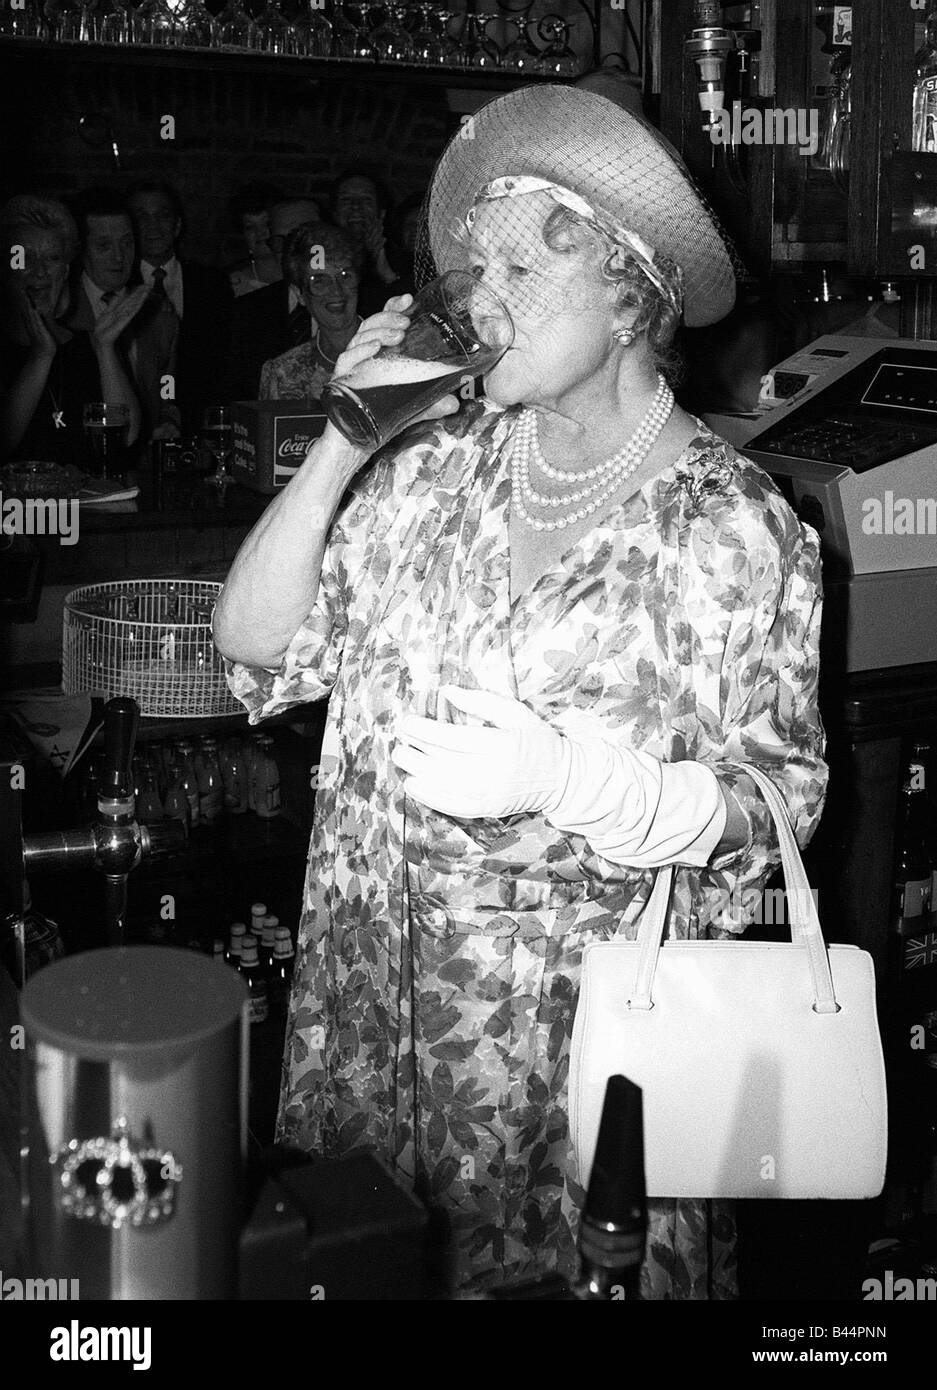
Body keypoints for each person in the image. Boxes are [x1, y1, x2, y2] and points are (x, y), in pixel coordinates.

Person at [213, 85, 827, 1299]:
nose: (476, 298)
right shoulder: (431, 468)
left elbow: (782, 800)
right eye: (471, 266)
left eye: (513, 266)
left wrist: (586, 785)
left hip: (567, 1047)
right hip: (377, 1005)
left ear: (626, 288)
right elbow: (251, 643)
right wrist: (343, 439)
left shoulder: (735, 527)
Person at [0, 194, 144, 467]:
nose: (40, 271)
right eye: (24, 258)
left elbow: (126, 437)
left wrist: (104, 348)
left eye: (52, 258)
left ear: (65, 271)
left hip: (82, 507)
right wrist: (41, 357)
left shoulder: (86, 346)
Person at [67, 186, 180, 443]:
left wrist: (168, 419)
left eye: (127, 243)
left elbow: (167, 388)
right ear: (81, 249)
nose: (119, 257)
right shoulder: (64, 315)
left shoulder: (159, 316)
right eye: (104, 245)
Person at [128, 180, 233, 434]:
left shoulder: (211, 282)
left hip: (199, 424)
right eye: (142, 217)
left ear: (177, 226)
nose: (153, 225)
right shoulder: (121, 285)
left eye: (162, 216)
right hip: (139, 422)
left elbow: (223, 358)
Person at [228, 197, 322, 399]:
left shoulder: (355, 301)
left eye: (300, 238)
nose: (291, 250)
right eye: (281, 241)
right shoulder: (246, 311)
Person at [259, 223, 362, 402]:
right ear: (299, 294)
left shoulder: (395, 355)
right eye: (319, 281)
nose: (336, 291)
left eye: (345, 276)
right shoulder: (283, 373)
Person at [330, 168, 411, 315]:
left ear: (381, 213)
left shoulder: (405, 262)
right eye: (346, 199)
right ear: (335, 213)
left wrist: (386, 273)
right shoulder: (322, 259)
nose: (355, 206)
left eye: (366, 199)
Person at [225, 183, 286, 298]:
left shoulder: (301, 277)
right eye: (250, 227)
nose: (260, 233)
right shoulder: (232, 283)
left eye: (267, 224)